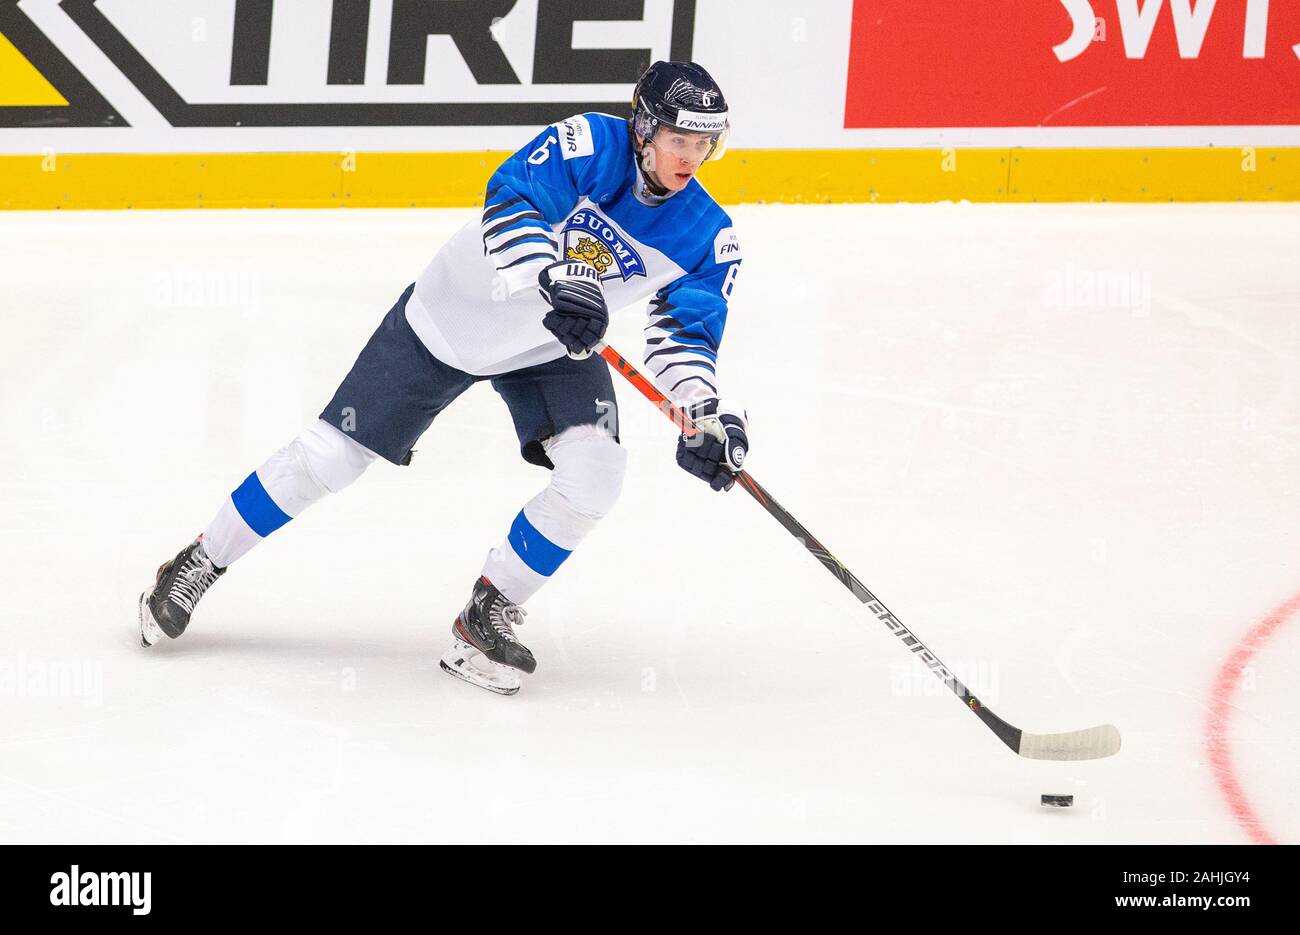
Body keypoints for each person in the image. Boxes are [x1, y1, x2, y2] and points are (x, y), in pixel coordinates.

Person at [137, 61, 749, 695]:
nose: (692, 158)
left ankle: (488, 612)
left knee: (596, 473)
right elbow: (512, 199)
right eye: (681, 140)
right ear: (644, 131)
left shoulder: (708, 233)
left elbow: (684, 336)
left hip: (550, 344)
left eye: (706, 143)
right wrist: (553, 277)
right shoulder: (591, 142)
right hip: (451, 318)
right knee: (330, 458)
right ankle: (200, 559)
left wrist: (701, 413)